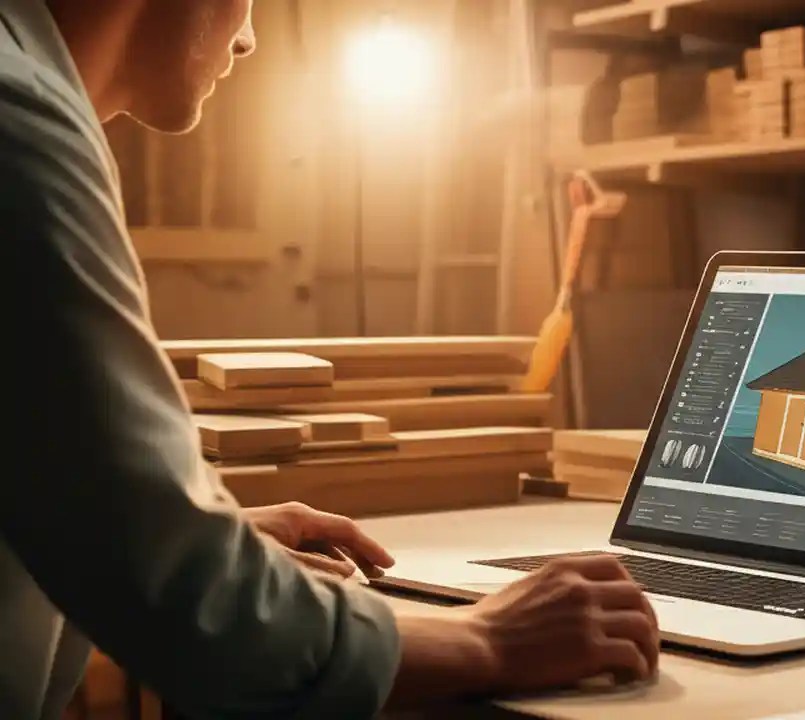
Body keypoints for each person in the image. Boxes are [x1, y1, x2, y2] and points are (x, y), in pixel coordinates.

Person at [0, 0, 659, 717]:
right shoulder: (18, 129)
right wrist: (485, 640)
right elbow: (191, 613)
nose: (248, 37)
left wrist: (199, 536)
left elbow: (64, 496)